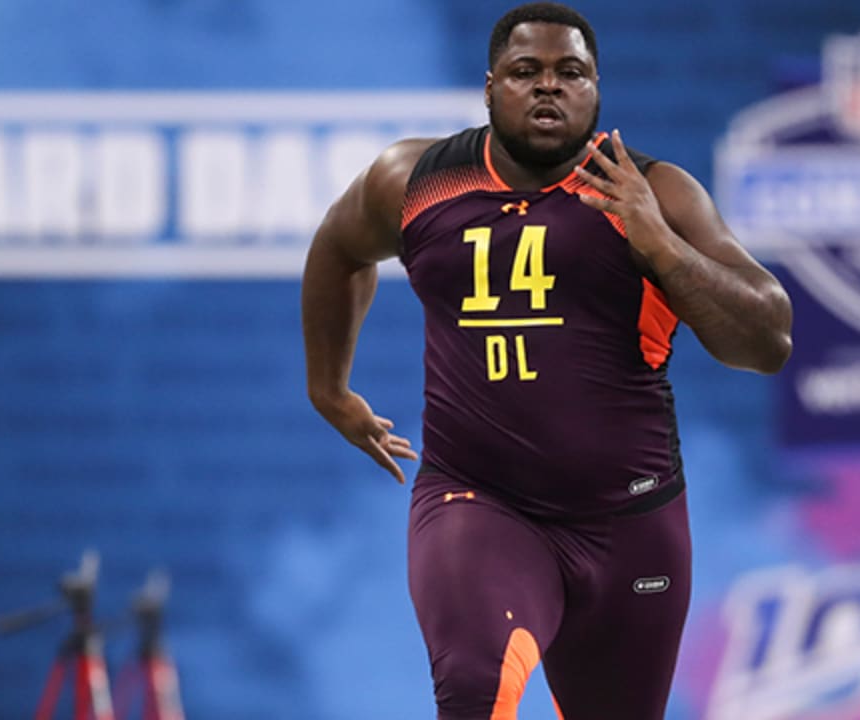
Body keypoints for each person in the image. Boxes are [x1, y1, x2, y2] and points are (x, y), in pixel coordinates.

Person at [301, 3, 792, 717]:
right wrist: (329, 390)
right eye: (526, 72)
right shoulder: (415, 179)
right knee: (473, 686)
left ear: (597, 90)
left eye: (571, 73)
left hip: (631, 521)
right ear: (491, 86)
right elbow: (339, 248)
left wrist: (660, 245)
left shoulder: (655, 192)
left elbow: (767, 341)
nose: (548, 88)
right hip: (478, 501)